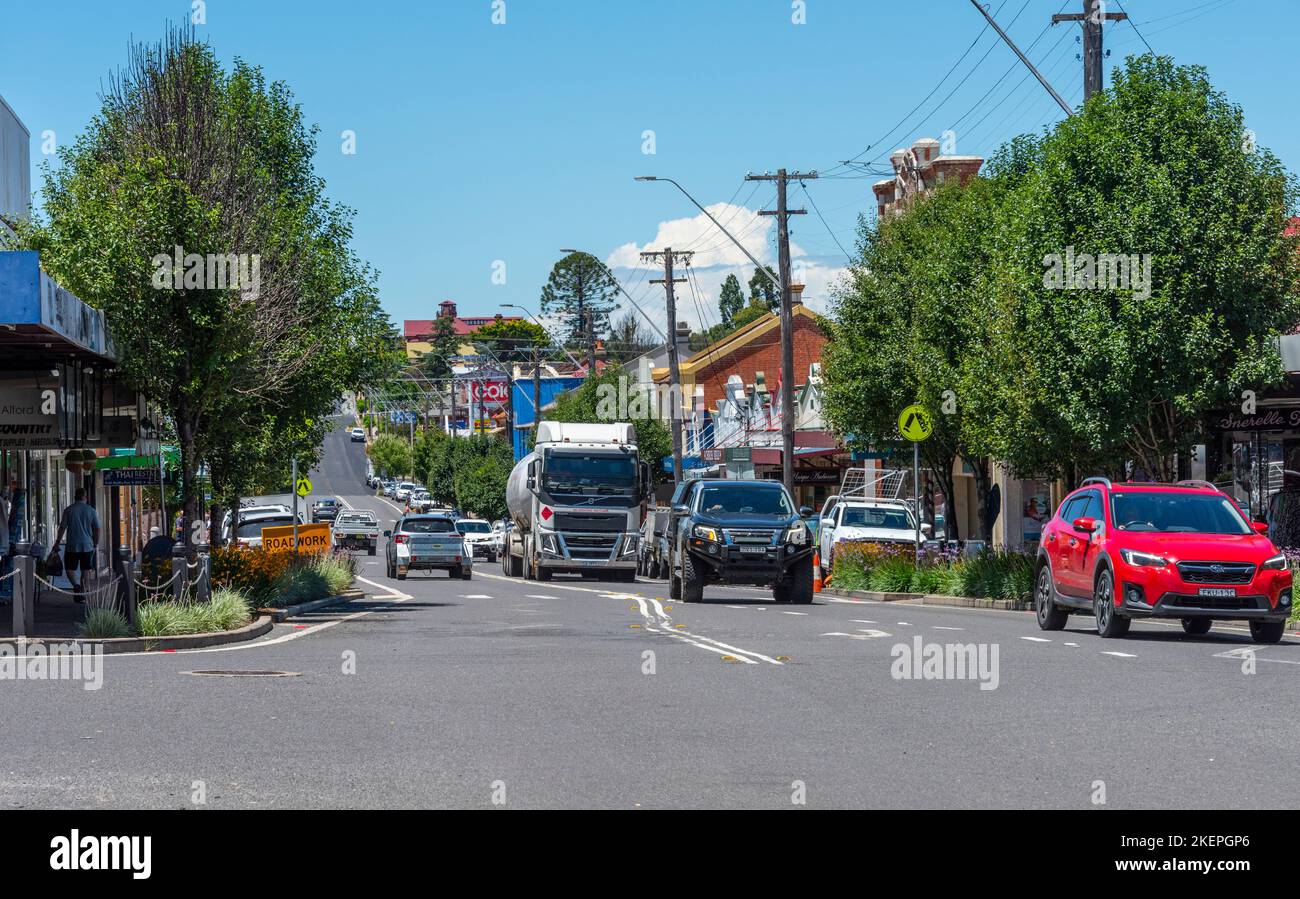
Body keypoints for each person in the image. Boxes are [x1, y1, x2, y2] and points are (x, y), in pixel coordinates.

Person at [52, 487, 100, 601]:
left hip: (72, 545)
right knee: (85, 570)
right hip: (87, 545)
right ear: (86, 497)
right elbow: (97, 529)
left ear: (75, 497)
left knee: (69, 568)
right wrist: (96, 543)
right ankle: (82, 594)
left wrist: (57, 542)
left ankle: (76, 586)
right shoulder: (91, 510)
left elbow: (62, 527)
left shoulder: (68, 510)